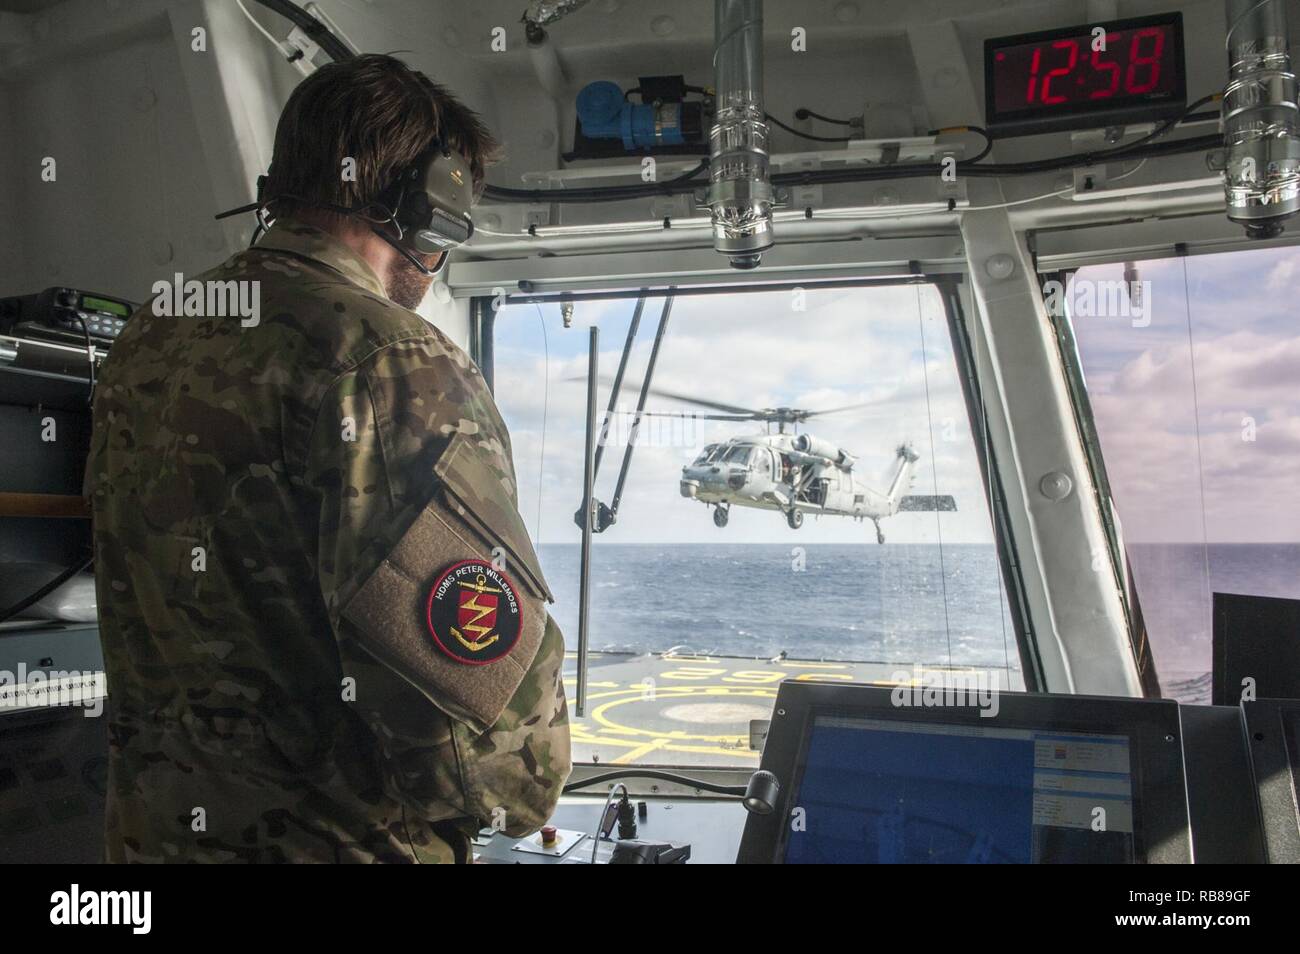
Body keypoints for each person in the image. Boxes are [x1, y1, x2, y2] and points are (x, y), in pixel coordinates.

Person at [85, 54, 571, 863]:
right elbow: (492, 758)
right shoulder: (393, 362)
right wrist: (531, 782)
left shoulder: (152, 334)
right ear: (429, 206)